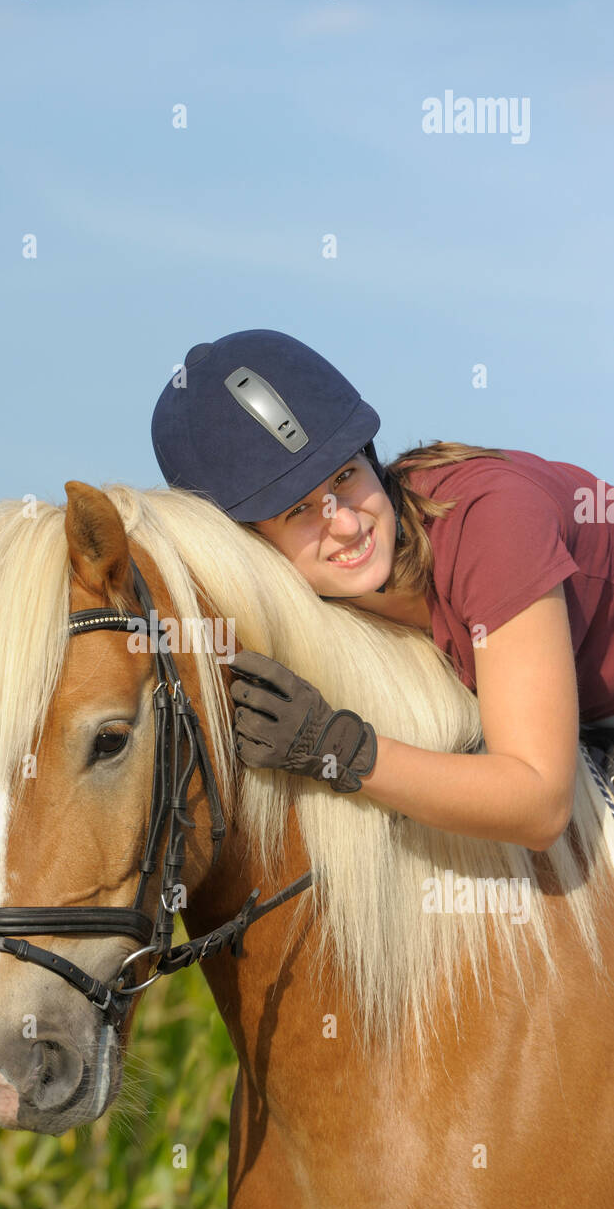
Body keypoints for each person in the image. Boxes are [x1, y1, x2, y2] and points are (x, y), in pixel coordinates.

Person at [150, 329, 614, 851]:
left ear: (370, 457)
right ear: (251, 545)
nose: (346, 525)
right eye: (298, 511)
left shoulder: (493, 521)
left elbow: (539, 804)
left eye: (344, 477)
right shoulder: (305, 595)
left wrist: (340, 749)